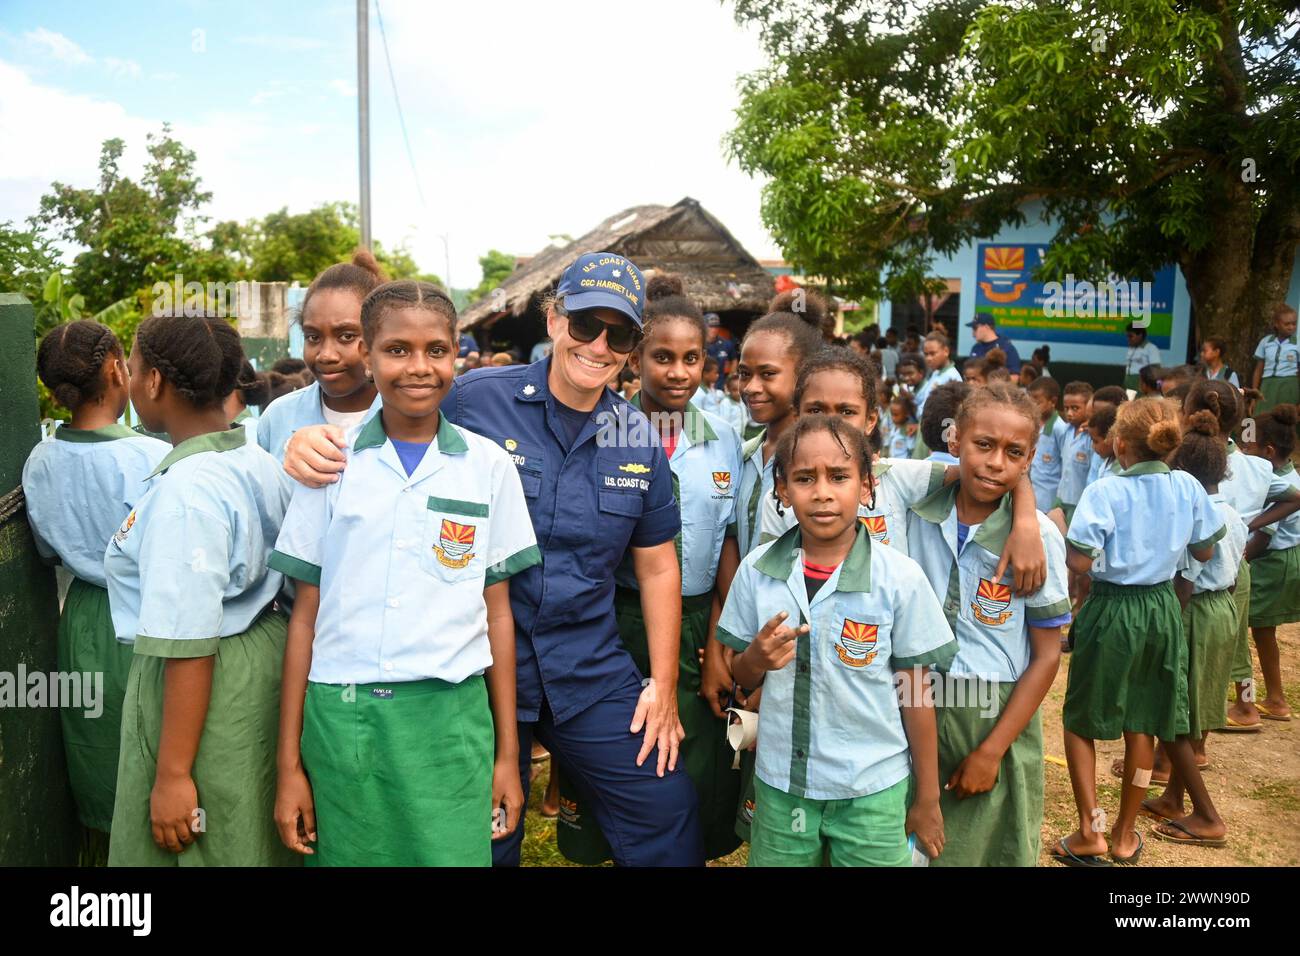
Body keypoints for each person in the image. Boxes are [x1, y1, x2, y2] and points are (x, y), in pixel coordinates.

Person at [279, 251, 702, 867]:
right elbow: (393, 419)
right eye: (585, 324)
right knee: (486, 834)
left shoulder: (636, 435)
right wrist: (304, 435)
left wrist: (661, 686)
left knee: (666, 808)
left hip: (585, 665)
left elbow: (658, 565)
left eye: (621, 334)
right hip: (476, 667)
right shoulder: (477, 398)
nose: (599, 345)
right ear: (555, 320)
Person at [270, 281, 535, 866]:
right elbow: (304, 617)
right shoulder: (330, 462)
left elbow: (498, 615)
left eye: (436, 350)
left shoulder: (488, 467)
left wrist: (507, 757)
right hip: (344, 718)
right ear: (368, 353)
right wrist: (289, 766)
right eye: (397, 350)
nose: (419, 367)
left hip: (451, 724)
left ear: (456, 352)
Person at [557, 273, 744, 863]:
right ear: (636, 359)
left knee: (688, 752)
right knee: (609, 751)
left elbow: (729, 548)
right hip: (611, 619)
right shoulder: (600, 429)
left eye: (693, 358)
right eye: (663, 357)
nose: (680, 372)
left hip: (693, 625)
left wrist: (718, 640)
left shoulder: (725, 442)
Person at [717, 416, 957, 866]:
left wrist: (927, 797)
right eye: (804, 478)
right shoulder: (755, 571)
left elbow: (917, 694)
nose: (822, 492)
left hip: (872, 787)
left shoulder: (899, 579)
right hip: (782, 785)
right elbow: (740, 674)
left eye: (839, 477)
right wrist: (755, 658)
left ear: (866, 487)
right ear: (783, 490)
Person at [104, 315, 297, 866]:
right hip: (260, 663)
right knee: (244, 823)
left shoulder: (189, 491)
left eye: (135, 368)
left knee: (201, 835)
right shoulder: (252, 458)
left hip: (206, 683)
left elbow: (188, 640)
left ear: (156, 383)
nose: (133, 379)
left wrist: (172, 774)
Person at [1053, 398, 1225, 866]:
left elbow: (1081, 562)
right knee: (1143, 722)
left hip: (1112, 609)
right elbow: (1206, 552)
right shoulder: (1187, 486)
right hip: (1162, 607)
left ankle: (1091, 832)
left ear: (1120, 445)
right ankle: (1125, 835)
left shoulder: (1105, 492)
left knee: (1080, 721)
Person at [907, 383, 1070, 866]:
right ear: (954, 440)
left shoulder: (1036, 537)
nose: (996, 462)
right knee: (913, 840)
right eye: (983, 445)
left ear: (1030, 459)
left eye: (1013, 453)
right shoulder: (914, 508)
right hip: (914, 699)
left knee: (980, 848)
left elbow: (1046, 657)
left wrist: (993, 751)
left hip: (992, 715)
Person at [23, 321, 170, 838]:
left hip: (83, 618)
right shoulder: (150, 457)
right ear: (116, 368)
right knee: (156, 739)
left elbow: (45, 550)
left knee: (97, 738)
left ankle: (107, 846)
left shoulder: (39, 459)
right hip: (147, 616)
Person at [1138, 412, 1244, 843]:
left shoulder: (1193, 518)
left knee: (1174, 714)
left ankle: (1207, 815)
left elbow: (1184, 583)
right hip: (1224, 611)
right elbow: (1234, 575)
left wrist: (1162, 627)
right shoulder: (1232, 514)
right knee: (1195, 707)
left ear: (1178, 473)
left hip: (1192, 612)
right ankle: (1173, 797)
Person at [257, 251, 386, 461]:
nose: (325, 355)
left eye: (346, 336)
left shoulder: (407, 418)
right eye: (313, 337)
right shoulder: (279, 417)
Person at [733, 309, 826, 558]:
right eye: (744, 374)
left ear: (804, 375)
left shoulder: (823, 460)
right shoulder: (741, 456)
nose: (751, 387)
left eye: (768, 374)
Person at [1242, 404, 1300, 722]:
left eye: (1249, 448)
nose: (1244, 452)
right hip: (1286, 560)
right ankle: (1274, 696)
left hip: (1272, 562)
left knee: (1243, 632)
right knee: (1264, 633)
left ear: (1267, 451)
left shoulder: (1272, 484)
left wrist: (1237, 561)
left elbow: (1263, 537)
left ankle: (1250, 701)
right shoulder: (1290, 472)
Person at [1050, 382, 1095, 528]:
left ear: (1088, 407)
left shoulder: (1092, 437)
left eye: (1075, 408)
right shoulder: (1065, 431)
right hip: (1061, 498)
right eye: (1066, 408)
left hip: (1080, 503)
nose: (1069, 413)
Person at [1026, 377, 1072, 513]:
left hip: (1050, 500)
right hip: (1031, 496)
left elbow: (1067, 467)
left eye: (1037, 402)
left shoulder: (1060, 429)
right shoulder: (1032, 425)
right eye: (1030, 401)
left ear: (1053, 401)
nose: (1033, 406)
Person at [1250, 303, 1299, 414]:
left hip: (1289, 386)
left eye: (1294, 324)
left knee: (1286, 419)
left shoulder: (1297, 343)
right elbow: (1258, 370)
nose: (1291, 327)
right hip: (1267, 386)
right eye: (1287, 324)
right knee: (1262, 417)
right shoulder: (1266, 341)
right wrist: (1254, 394)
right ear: (1276, 324)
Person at [1124, 325, 1162, 392]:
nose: (1128, 339)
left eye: (1130, 336)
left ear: (1140, 335)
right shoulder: (1131, 348)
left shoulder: (1151, 348)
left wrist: (1157, 386)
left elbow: (1156, 369)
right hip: (1128, 382)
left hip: (1141, 383)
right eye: (1127, 336)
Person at [704, 313, 738, 388]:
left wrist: (730, 378)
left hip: (720, 385)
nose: (714, 329)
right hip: (702, 385)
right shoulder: (697, 343)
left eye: (716, 326)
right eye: (711, 326)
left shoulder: (726, 343)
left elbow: (734, 359)